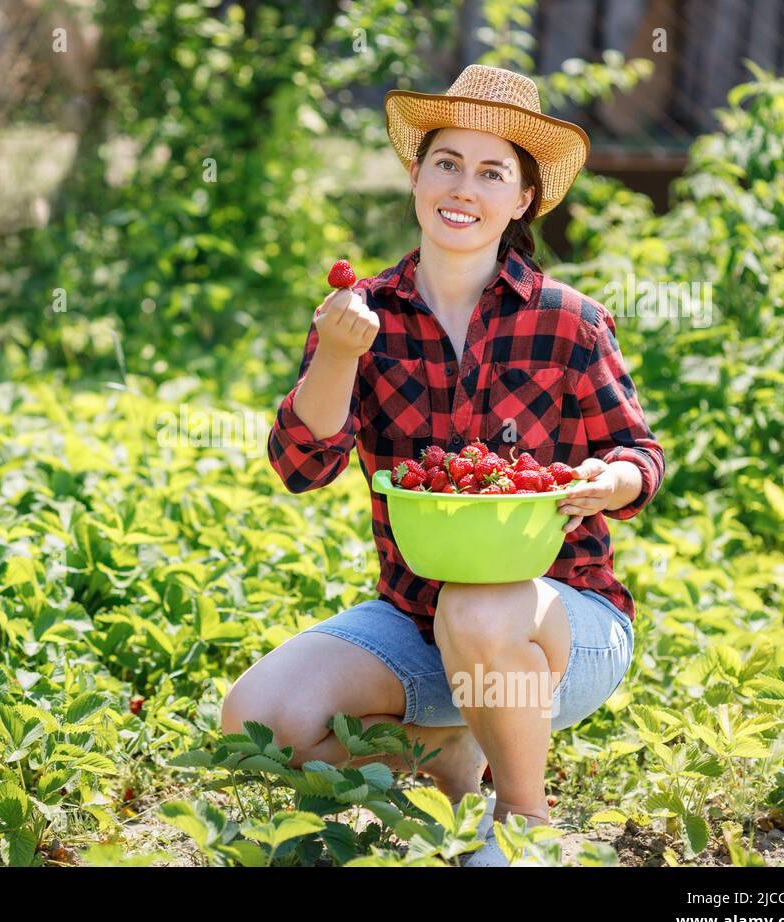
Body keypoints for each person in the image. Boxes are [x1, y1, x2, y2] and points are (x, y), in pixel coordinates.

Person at [221, 64, 666, 866]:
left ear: (523, 198)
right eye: (447, 162)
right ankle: (452, 766)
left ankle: (523, 819)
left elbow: (640, 454)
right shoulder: (364, 315)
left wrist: (613, 481)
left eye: (493, 171)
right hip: (415, 622)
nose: (465, 187)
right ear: (418, 175)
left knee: (481, 608)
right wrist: (336, 355)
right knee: (259, 722)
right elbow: (300, 465)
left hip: (560, 625)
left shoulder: (569, 321)